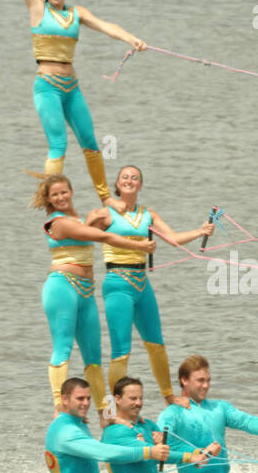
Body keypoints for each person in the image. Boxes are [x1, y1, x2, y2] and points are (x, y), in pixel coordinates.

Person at [0, 0, 145, 208]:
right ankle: (51, 202)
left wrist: (131, 39)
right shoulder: (37, 8)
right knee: (58, 144)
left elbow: (106, 26)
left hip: (71, 87)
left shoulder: (78, 13)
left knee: (90, 141)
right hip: (47, 87)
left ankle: (105, 198)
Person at [90, 165, 217, 402]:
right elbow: (83, 235)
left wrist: (200, 231)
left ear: (140, 184)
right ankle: (117, 406)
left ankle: (169, 396)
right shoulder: (105, 213)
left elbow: (173, 239)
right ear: (117, 185)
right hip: (118, 282)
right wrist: (89, 220)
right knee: (121, 351)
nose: (129, 180)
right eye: (124, 177)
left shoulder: (148, 214)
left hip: (142, 284)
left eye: (134, 177)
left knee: (156, 344)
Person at [34, 174, 155, 411]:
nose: (61, 197)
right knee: (63, 348)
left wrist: (109, 205)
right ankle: (59, 407)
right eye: (55, 194)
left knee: (94, 359)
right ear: (48, 200)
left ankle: (105, 414)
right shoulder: (57, 223)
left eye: (64, 192)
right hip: (62, 287)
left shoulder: (79, 221)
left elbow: (111, 222)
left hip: (86, 292)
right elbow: (104, 236)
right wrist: (140, 246)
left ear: (71, 191)